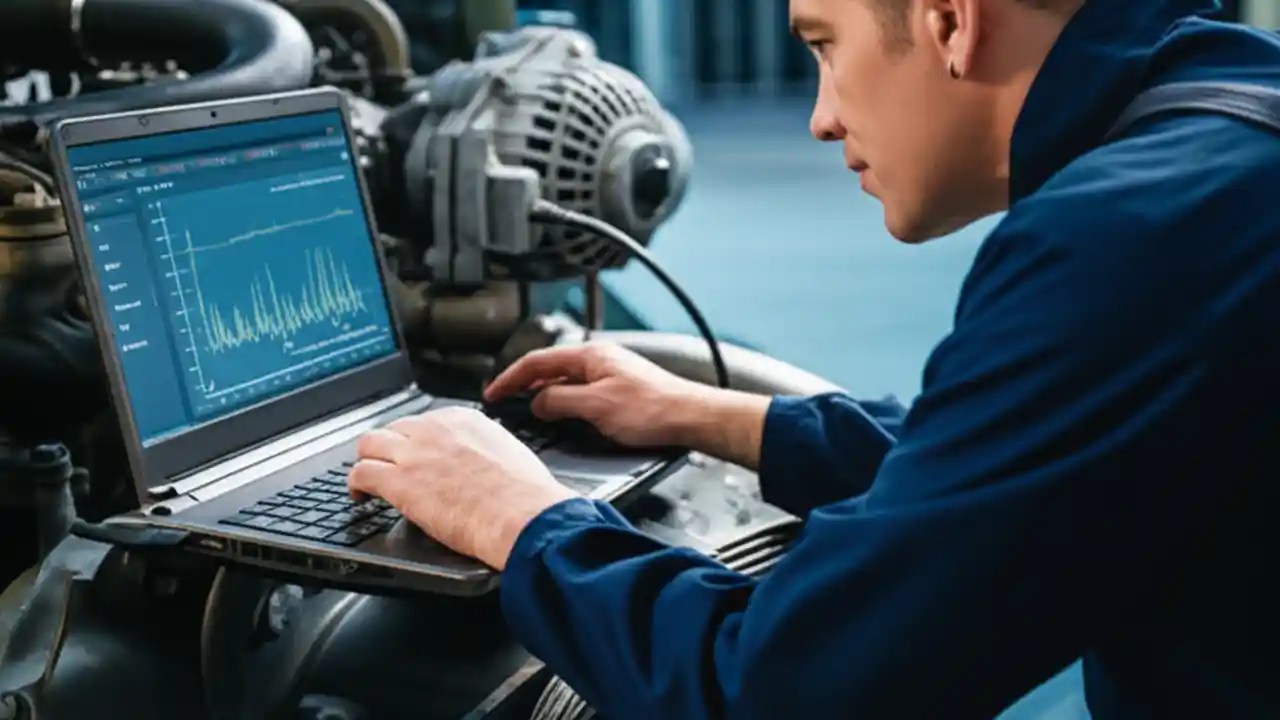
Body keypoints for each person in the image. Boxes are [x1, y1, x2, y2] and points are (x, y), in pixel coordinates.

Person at [348, 0, 1280, 716]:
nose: (822, 118)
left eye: (824, 45)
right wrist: (717, 417)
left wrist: (518, 519)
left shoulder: (1124, 237)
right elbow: (1043, 465)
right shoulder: (1228, 144)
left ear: (951, 20)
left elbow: (784, 690)